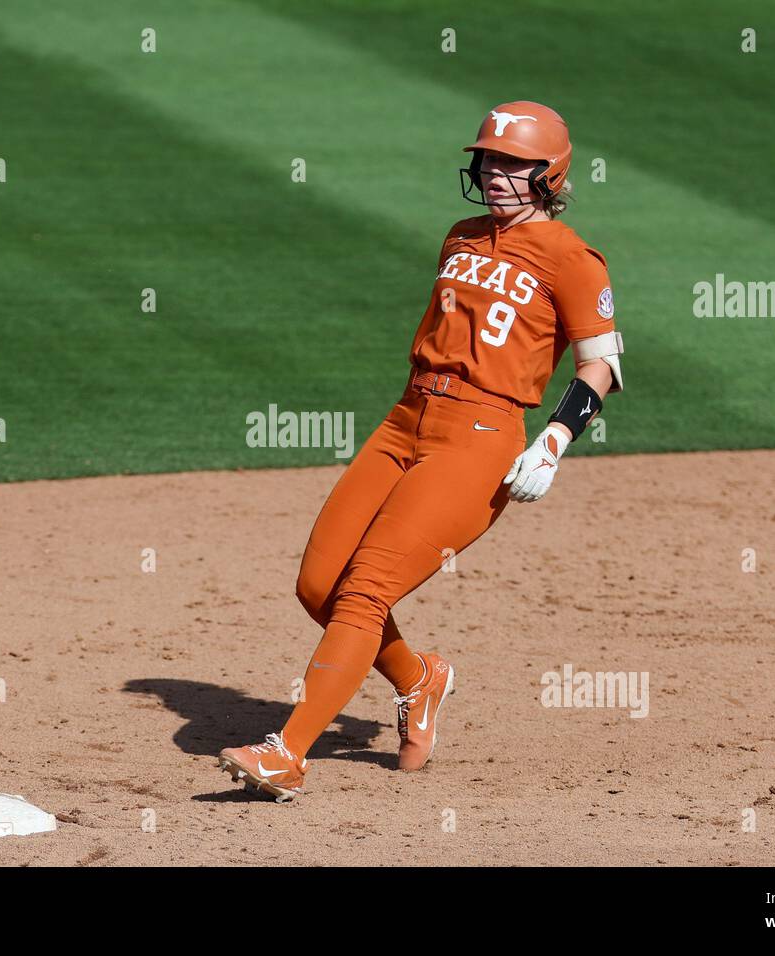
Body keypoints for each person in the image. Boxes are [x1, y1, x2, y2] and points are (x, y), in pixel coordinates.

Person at [218, 101, 625, 801]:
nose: (495, 175)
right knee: (317, 586)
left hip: (481, 435)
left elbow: (603, 365)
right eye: (488, 160)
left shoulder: (573, 259)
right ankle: (419, 678)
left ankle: (288, 752)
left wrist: (554, 441)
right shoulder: (460, 237)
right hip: (406, 417)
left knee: (366, 590)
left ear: (550, 174)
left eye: (513, 165)